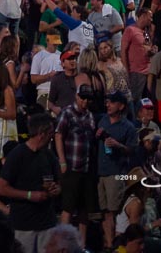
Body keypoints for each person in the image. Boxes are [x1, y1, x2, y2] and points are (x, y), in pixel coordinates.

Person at [0, 112, 61, 253]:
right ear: (41, 134)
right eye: (50, 133)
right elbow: (1, 188)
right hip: (23, 225)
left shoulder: (49, 155)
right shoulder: (17, 155)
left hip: (47, 223)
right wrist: (29, 195)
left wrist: (56, 189)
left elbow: (59, 182)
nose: (52, 137)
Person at [54, 82, 97, 244]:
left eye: (88, 99)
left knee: (84, 210)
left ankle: (81, 244)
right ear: (77, 96)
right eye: (82, 98)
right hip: (71, 166)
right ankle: (63, 244)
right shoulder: (67, 112)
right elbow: (58, 135)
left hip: (86, 168)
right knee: (68, 207)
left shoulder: (90, 116)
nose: (85, 101)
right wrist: (62, 161)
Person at [96, 91, 138, 251]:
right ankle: (109, 245)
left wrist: (118, 145)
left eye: (112, 102)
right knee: (104, 211)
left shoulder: (128, 127)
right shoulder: (102, 120)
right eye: (107, 102)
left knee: (114, 211)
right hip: (100, 171)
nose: (108, 105)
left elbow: (132, 151)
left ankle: (116, 245)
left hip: (116, 172)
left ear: (121, 106)